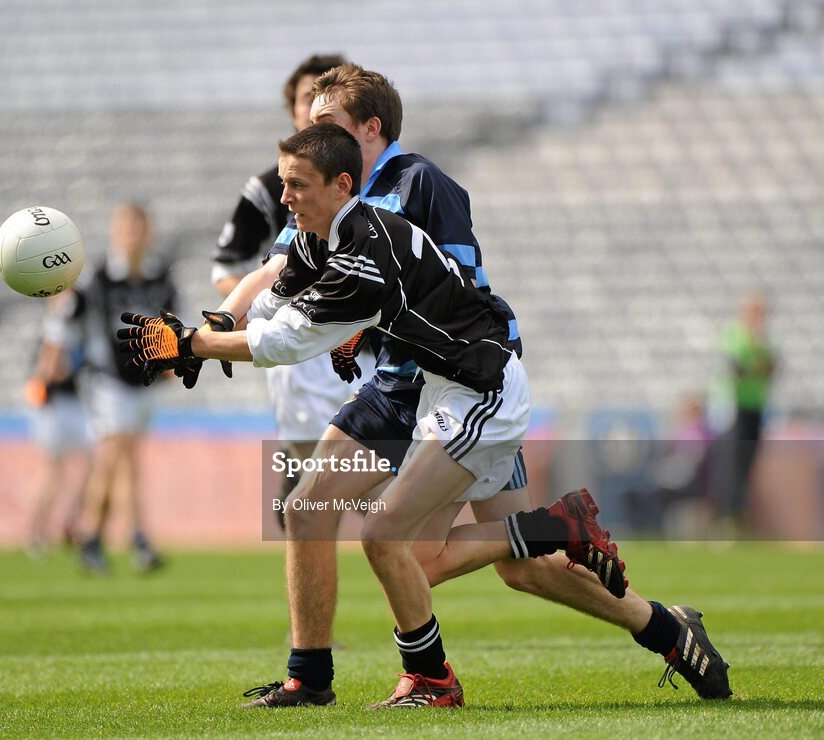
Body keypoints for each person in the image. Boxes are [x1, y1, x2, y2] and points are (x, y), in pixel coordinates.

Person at [204, 65, 729, 707]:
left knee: (510, 567)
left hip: (463, 380)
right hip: (398, 387)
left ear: (370, 129)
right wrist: (227, 317)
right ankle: (310, 676)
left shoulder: (421, 183)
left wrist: (346, 325)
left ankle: (659, 627)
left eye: (326, 122)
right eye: (308, 122)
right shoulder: (326, 195)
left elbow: (458, 289)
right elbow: (282, 267)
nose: (312, 132)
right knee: (312, 506)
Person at [120, 124, 638, 708]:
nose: (284, 197)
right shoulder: (325, 236)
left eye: (297, 185)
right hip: (441, 392)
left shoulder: (366, 248)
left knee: (384, 536)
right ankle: (331, 674)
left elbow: (285, 342)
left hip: (481, 392)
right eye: (283, 182)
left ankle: (438, 673)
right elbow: (276, 296)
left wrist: (190, 345)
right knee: (360, 529)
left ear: (342, 184)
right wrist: (214, 327)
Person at [211, 53, 373, 526]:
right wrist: (242, 314)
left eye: (330, 105)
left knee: (365, 501)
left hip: (358, 353)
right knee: (325, 500)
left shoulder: (384, 182)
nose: (317, 112)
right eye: (309, 101)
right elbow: (243, 267)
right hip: (295, 347)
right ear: (294, 111)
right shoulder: (270, 187)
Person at [43, 202, 174, 573]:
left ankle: (103, 538)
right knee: (119, 455)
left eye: (139, 228)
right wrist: (54, 358)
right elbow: (66, 316)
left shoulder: (159, 275)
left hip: (143, 382)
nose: (133, 235)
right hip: (107, 381)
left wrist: (170, 360)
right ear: (116, 232)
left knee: (121, 460)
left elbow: (169, 322)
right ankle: (124, 538)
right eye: (127, 227)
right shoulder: (99, 277)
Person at [24, 294, 93, 554]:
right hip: (53, 402)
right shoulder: (57, 322)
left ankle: (71, 522)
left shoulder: (76, 320)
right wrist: (48, 378)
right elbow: (49, 366)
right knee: (52, 470)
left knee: (94, 462)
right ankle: (37, 533)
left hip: (75, 402)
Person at [717, 291, 776, 525]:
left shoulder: (764, 338)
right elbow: (738, 367)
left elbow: (770, 369)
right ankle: (726, 516)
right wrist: (757, 366)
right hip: (735, 406)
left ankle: (738, 516)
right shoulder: (737, 334)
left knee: (747, 463)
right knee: (732, 461)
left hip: (756, 405)